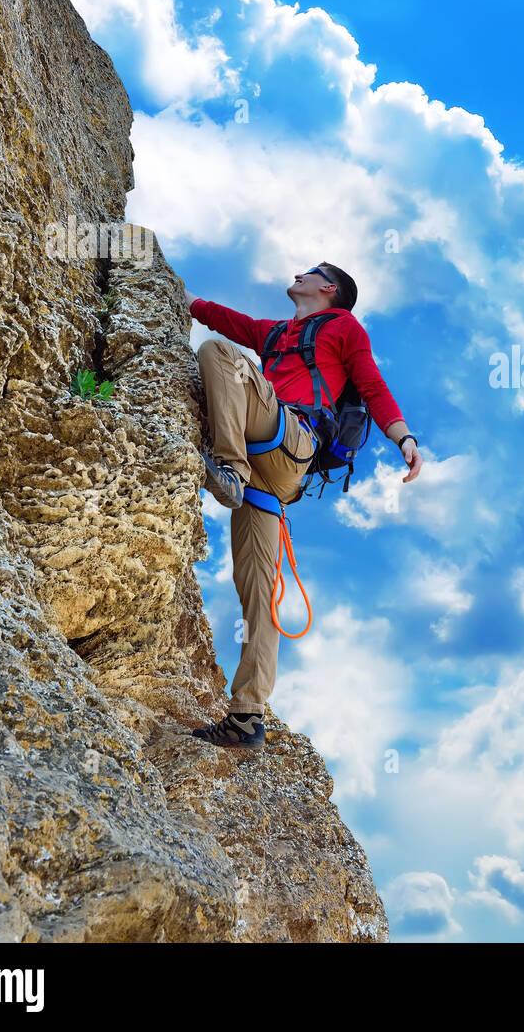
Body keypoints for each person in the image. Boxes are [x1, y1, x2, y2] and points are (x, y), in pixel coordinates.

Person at [184, 262, 421, 748]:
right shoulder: (275, 334)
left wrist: (405, 438)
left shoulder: (344, 327)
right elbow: (219, 316)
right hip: (271, 476)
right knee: (256, 586)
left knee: (217, 354)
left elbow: (372, 385)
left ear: (328, 288)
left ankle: (227, 467)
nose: (296, 272)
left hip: (291, 440)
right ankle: (248, 715)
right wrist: (170, 290)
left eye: (309, 271)